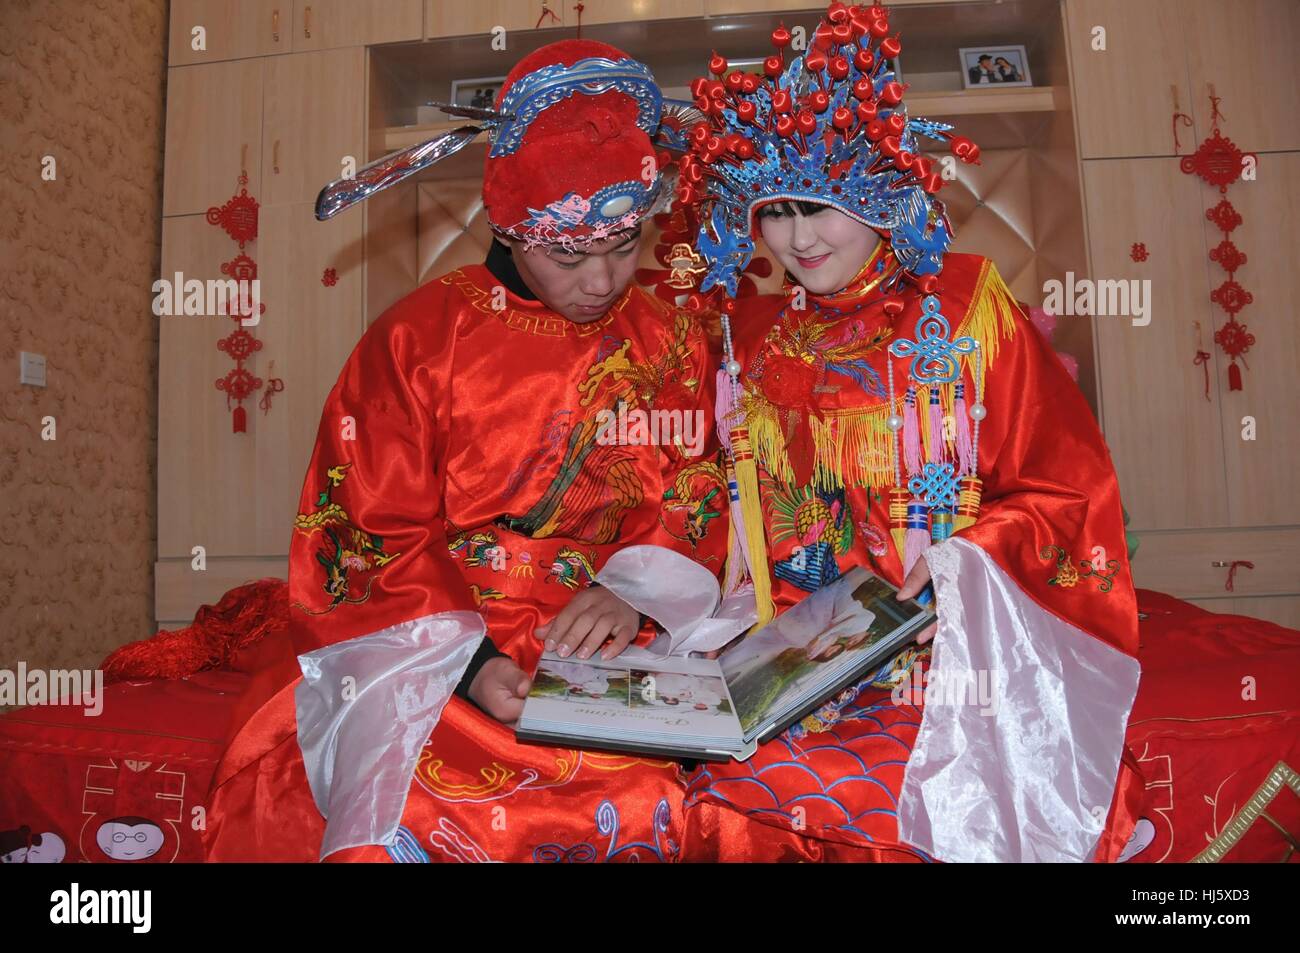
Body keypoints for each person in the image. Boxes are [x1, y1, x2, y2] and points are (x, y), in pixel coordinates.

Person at [201, 39, 734, 863]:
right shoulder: (419, 339)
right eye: (570, 254)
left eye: (624, 249)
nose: (601, 282)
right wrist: (475, 665)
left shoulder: (670, 339)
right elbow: (372, 528)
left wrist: (637, 592)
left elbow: (700, 484)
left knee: (656, 804)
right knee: (404, 812)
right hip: (436, 633)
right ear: (508, 226)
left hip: (610, 629)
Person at [673, 1, 1143, 863]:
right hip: (794, 656)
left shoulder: (965, 307)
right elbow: (719, 495)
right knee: (709, 792)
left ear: (883, 195)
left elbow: (1067, 489)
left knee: (916, 809)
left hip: (950, 650)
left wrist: (962, 569)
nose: (798, 238)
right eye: (775, 210)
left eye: (822, 206)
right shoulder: (759, 332)